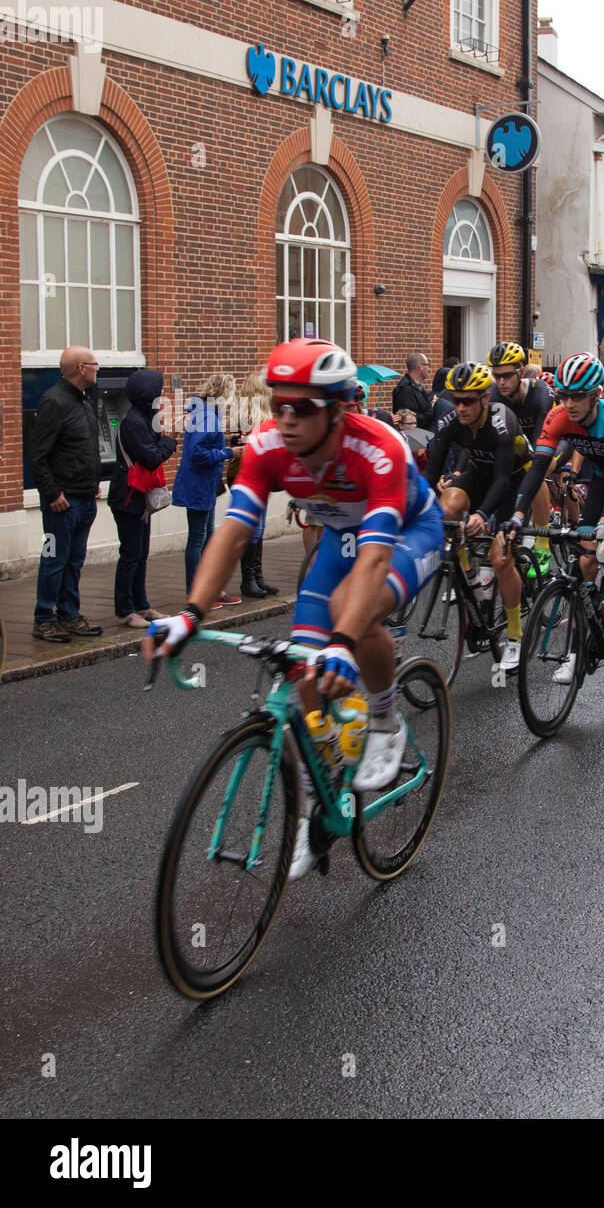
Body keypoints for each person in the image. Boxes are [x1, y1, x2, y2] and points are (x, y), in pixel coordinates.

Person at [145, 338, 444, 880]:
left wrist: (345, 643)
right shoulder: (265, 448)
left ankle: (384, 718)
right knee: (305, 668)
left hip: (405, 534)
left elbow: (374, 561)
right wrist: (190, 613)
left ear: (336, 412)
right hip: (338, 540)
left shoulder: (378, 448)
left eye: (301, 408)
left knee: (351, 609)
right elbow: (233, 532)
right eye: (278, 405)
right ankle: (317, 798)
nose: (285, 419)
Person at [506, 352, 604, 683]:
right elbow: (537, 470)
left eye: (578, 396)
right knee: (585, 565)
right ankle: (576, 653)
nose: (570, 403)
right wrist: (518, 514)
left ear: (596, 395)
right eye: (564, 395)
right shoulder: (558, 416)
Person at [426, 362, 533, 672]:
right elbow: (432, 471)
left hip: (513, 479)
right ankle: (469, 571)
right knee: (446, 508)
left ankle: (514, 635)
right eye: (456, 399)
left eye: (468, 401)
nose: (460, 407)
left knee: (500, 558)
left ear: (485, 399)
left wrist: (483, 515)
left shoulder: (502, 422)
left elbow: (501, 480)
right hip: (479, 472)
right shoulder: (450, 421)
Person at [29, 345, 106, 641]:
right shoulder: (54, 402)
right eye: (94, 364)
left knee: (74, 559)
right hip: (61, 502)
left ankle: (69, 614)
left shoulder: (84, 401)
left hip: (84, 497)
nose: (99, 368)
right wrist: (51, 493)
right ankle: (43, 617)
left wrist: (92, 481)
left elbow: (81, 448)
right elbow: (37, 455)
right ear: (80, 368)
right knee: (53, 558)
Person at [107, 370, 177, 628]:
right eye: (158, 392)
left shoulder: (145, 418)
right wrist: (169, 443)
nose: (161, 396)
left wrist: (163, 436)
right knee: (130, 554)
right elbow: (150, 457)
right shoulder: (133, 422)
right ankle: (125, 610)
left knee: (141, 554)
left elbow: (151, 448)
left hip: (139, 498)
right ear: (148, 394)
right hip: (127, 498)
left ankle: (142, 605)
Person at [173, 373, 241, 611]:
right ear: (223, 394)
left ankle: (209, 589)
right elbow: (198, 455)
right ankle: (195, 594)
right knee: (198, 539)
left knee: (207, 537)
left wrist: (226, 442)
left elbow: (203, 446)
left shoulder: (206, 414)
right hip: (198, 484)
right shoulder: (205, 416)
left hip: (204, 484)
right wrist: (229, 453)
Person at [487, 341, 555, 570]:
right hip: (518, 442)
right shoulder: (495, 395)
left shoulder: (540, 393)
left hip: (551, 438)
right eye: (497, 376)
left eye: (506, 375)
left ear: (521, 372)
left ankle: (543, 539)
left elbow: (539, 443)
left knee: (537, 467)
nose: (501, 382)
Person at [233, 369, 278, 599]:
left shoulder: (263, 414)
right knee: (252, 528)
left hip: (262, 475)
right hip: (249, 477)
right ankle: (248, 579)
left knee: (259, 528)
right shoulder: (244, 416)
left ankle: (257, 575)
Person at [391, 353, 435, 429]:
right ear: (420, 367)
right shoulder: (406, 390)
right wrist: (431, 408)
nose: (428, 369)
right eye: (427, 365)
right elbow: (410, 419)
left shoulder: (416, 387)